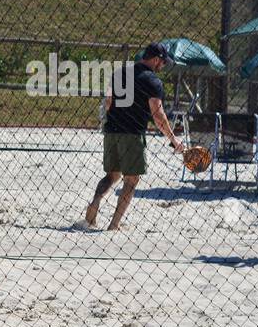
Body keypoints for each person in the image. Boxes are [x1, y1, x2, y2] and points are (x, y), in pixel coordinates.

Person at [78, 42, 183, 232]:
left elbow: (108, 101)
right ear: (156, 59)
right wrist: (173, 139)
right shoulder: (153, 82)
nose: (163, 66)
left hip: (111, 131)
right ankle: (114, 225)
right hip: (132, 134)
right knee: (131, 180)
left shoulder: (120, 73)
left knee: (112, 175)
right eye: (163, 62)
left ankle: (94, 206)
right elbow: (158, 115)